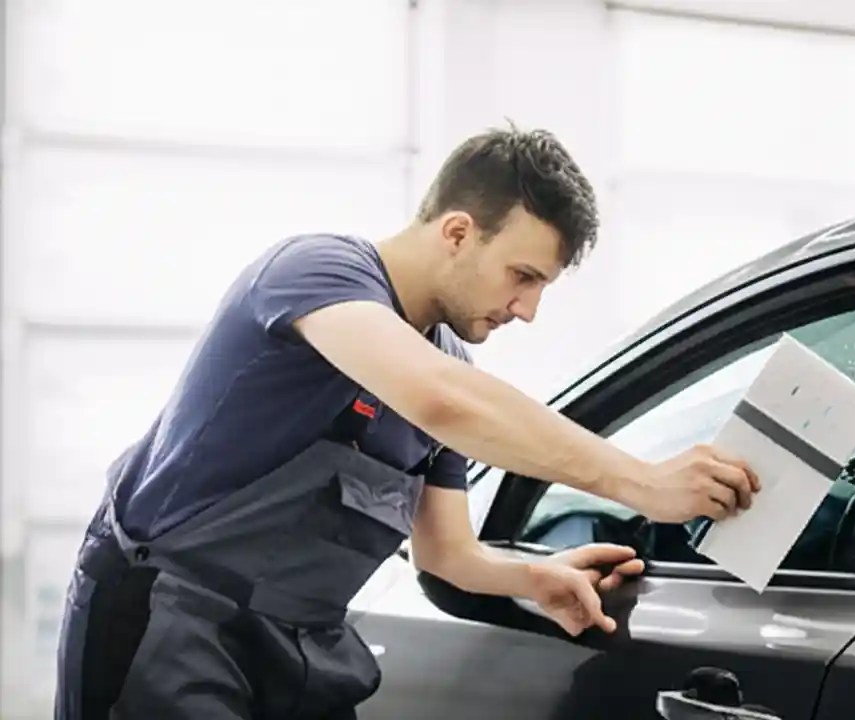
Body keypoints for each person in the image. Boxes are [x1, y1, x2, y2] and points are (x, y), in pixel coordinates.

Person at [54, 124, 760, 719]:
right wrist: (645, 484)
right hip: (172, 623)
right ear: (457, 231)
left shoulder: (450, 362)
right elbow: (440, 401)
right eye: (522, 276)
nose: (527, 310)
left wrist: (535, 578)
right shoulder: (317, 272)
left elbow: (446, 554)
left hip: (301, 646)